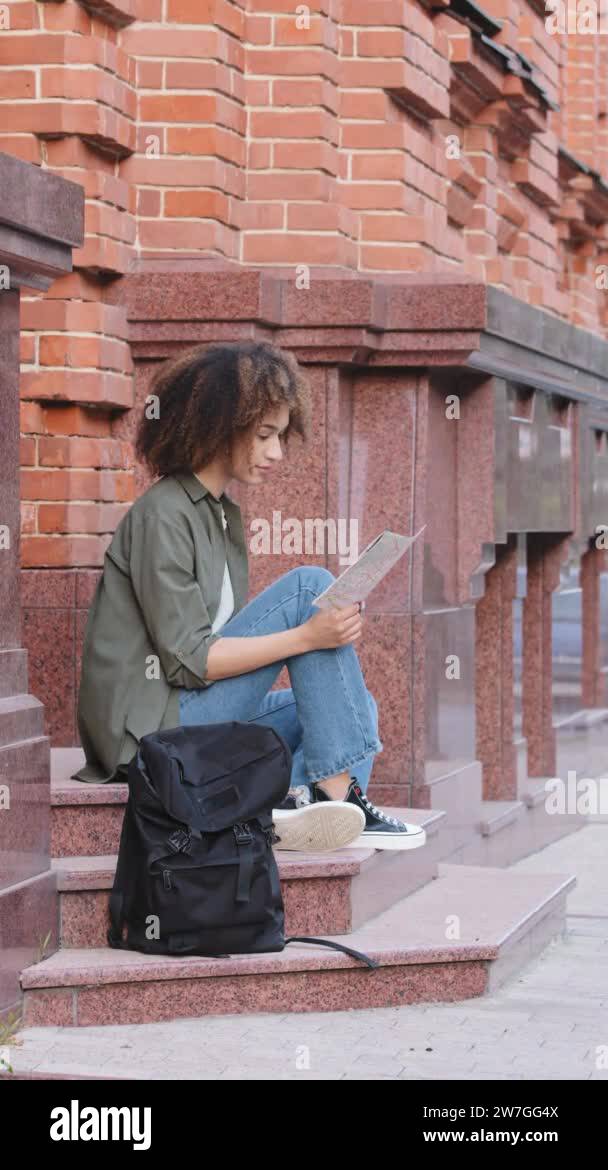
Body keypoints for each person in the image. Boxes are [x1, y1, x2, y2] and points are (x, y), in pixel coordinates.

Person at [74, 341, 426, 854]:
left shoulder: (221, 515)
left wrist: (312, 641)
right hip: (151, 734)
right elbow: (191, 662)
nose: (277, 452)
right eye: (264, 436)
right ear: (219, 426)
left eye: (281, 436)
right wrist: (305, 637)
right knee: (309, 588)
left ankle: (307, 801)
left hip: (191, 713)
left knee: (355, 708)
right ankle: (335, 795)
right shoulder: (163, 515)